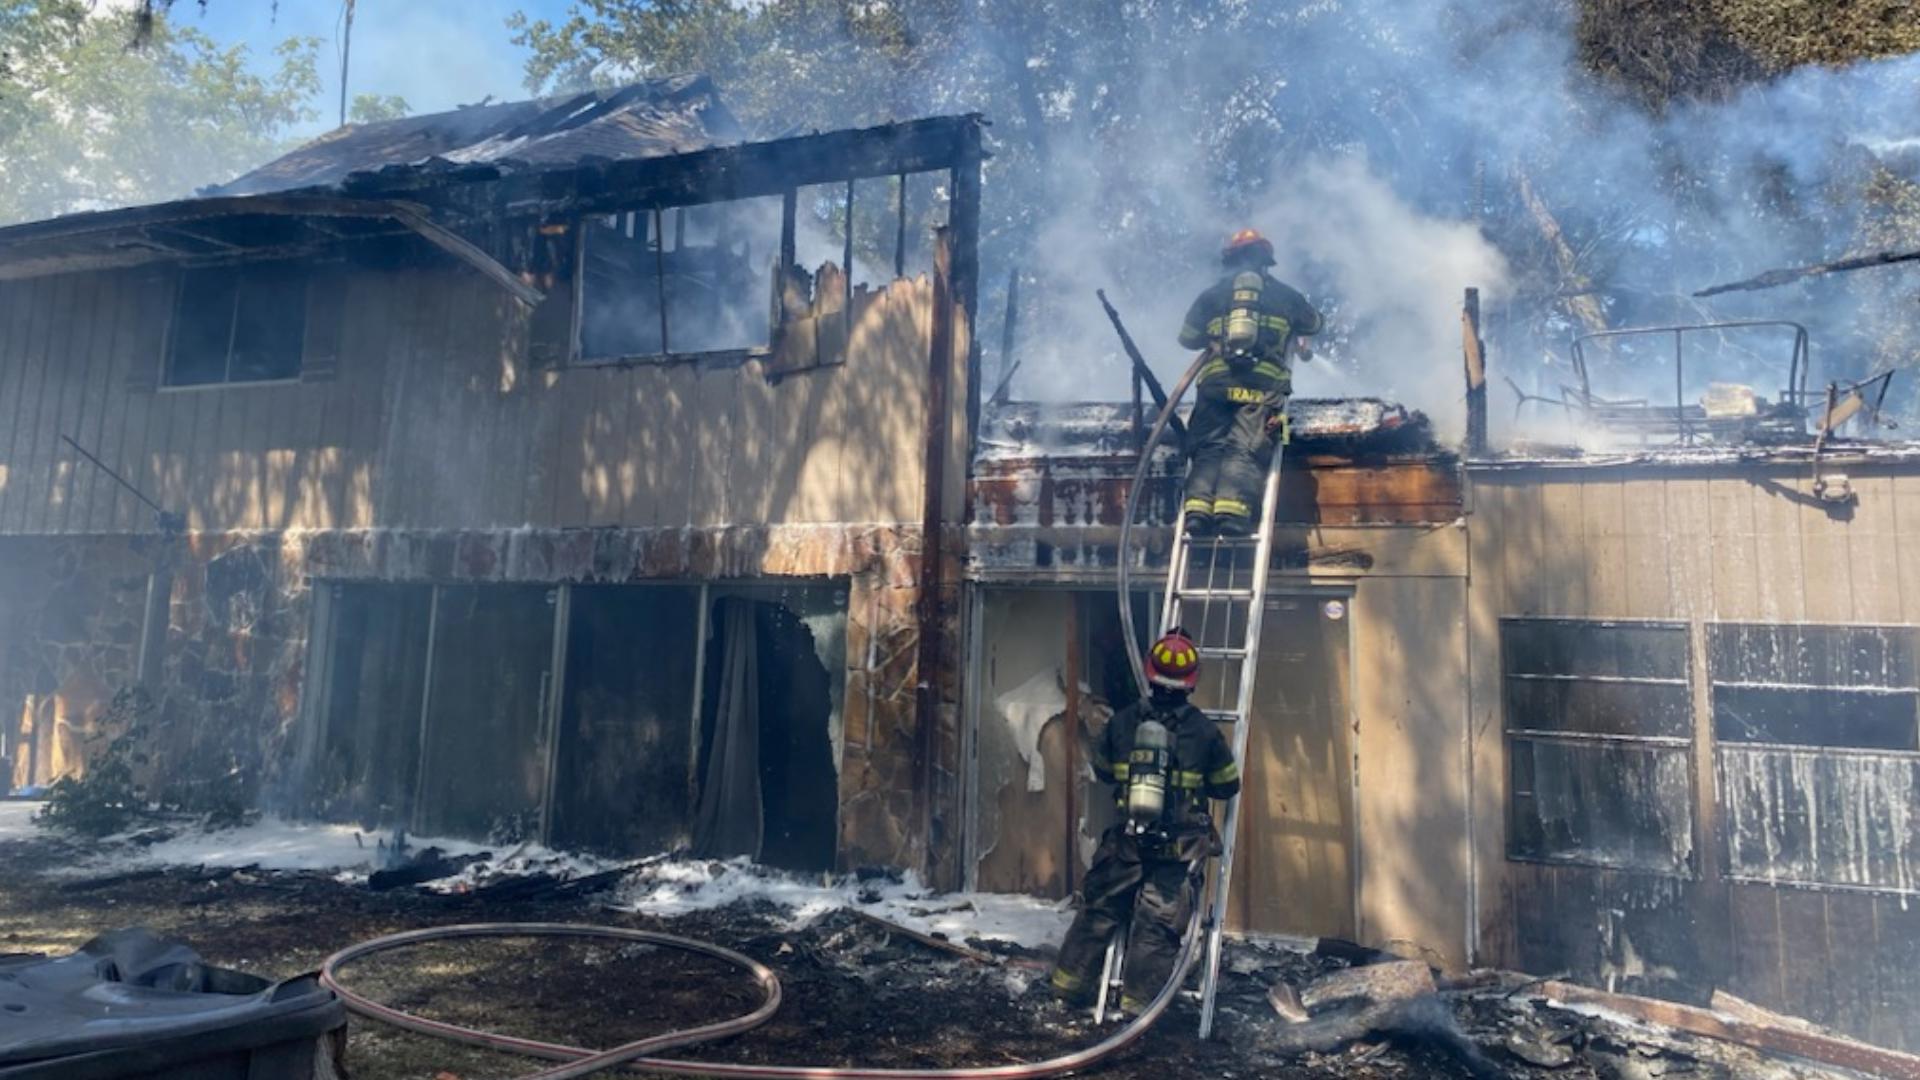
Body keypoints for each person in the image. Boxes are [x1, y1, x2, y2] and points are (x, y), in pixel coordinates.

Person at [1049, 629, 1240, 1014]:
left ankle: (1067, 990)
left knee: (1098, 910)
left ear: (1149, 675)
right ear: (1190, 683)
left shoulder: (1122, 723)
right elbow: (1226, 786)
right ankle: (1139, 1007)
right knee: (1156, 926)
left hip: (1128, 845)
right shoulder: (1204, 731)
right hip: (1177, 852)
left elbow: (1103, 773)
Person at [1176, 229, 1325, 537]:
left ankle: (1197, 513)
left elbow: (1187, 339)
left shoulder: (1211, 295)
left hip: (1214, 387)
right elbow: (1315, 323)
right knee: (1247, 449)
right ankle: (1232, 516)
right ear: (1266, 262)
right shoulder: (1286, 296)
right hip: (1264, 390)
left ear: (1230, 259)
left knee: (1207, 449)